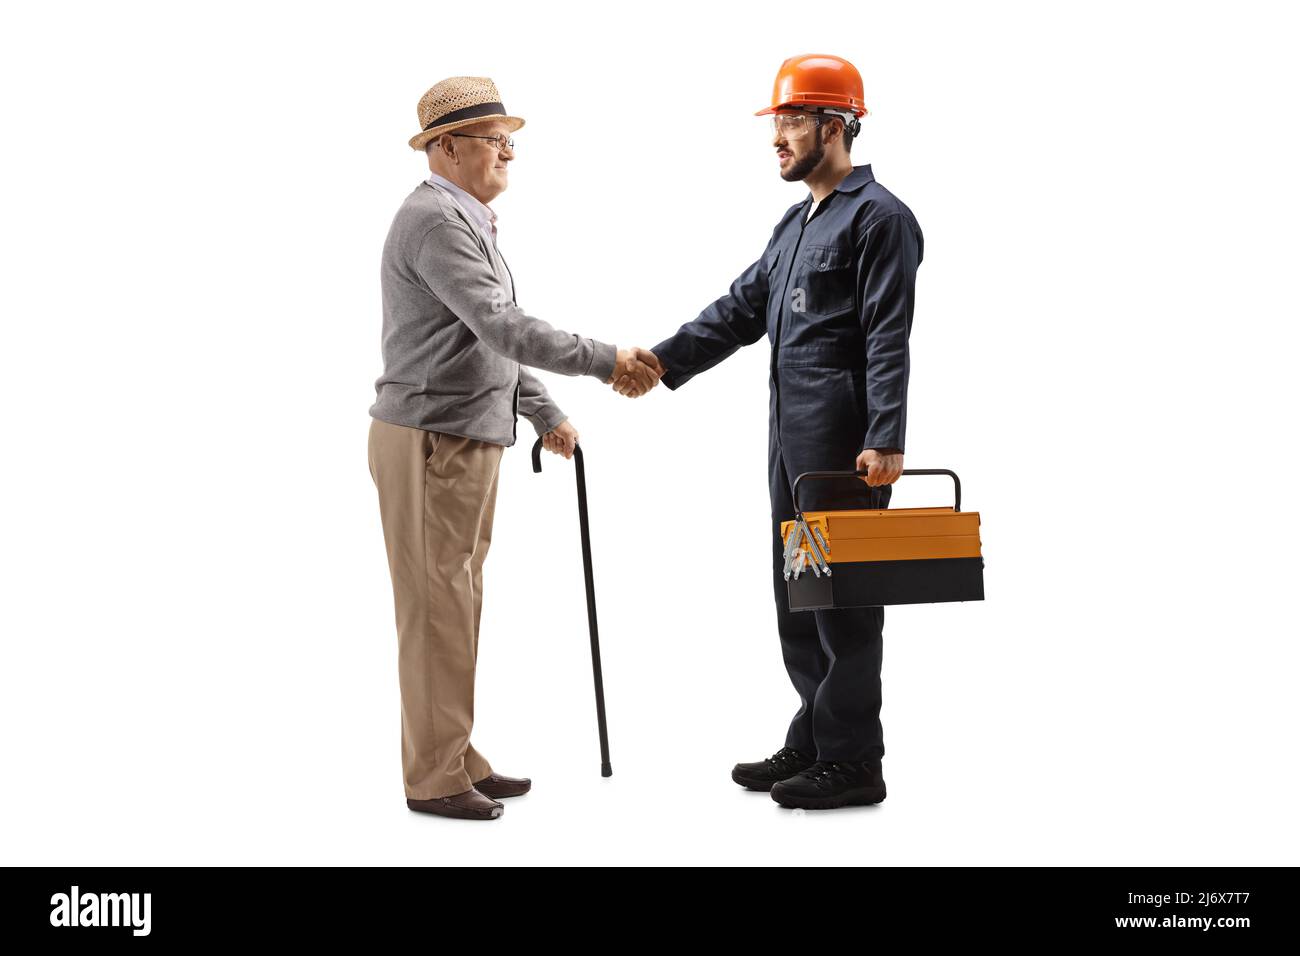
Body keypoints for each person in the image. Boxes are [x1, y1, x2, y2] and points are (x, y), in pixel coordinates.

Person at [616, 54, 923, 810]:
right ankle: (817, 737)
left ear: (835, 124)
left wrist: (886, 434)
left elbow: (888, 333)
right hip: (790, 436)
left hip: (845, 441)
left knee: (841, 598)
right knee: (798, 590)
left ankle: (854, 761)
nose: (777, 137)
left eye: (791, 120)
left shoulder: (880, 217)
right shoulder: (796, 223)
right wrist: (660, 360)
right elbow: (740, 308)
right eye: (777, 121)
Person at [369, 76, 663, 821]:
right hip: (433, 442)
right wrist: (606, 358)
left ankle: (454, 754)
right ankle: (433, 778)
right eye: (492, 134)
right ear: (446, 147)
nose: (508, 147)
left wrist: (542, 412)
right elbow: (503, 327)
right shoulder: (437, 220)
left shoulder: (464, 219)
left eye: (509, 134)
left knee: (454, 603)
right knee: (439, 606)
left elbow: (483, 339)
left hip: (461, 437)